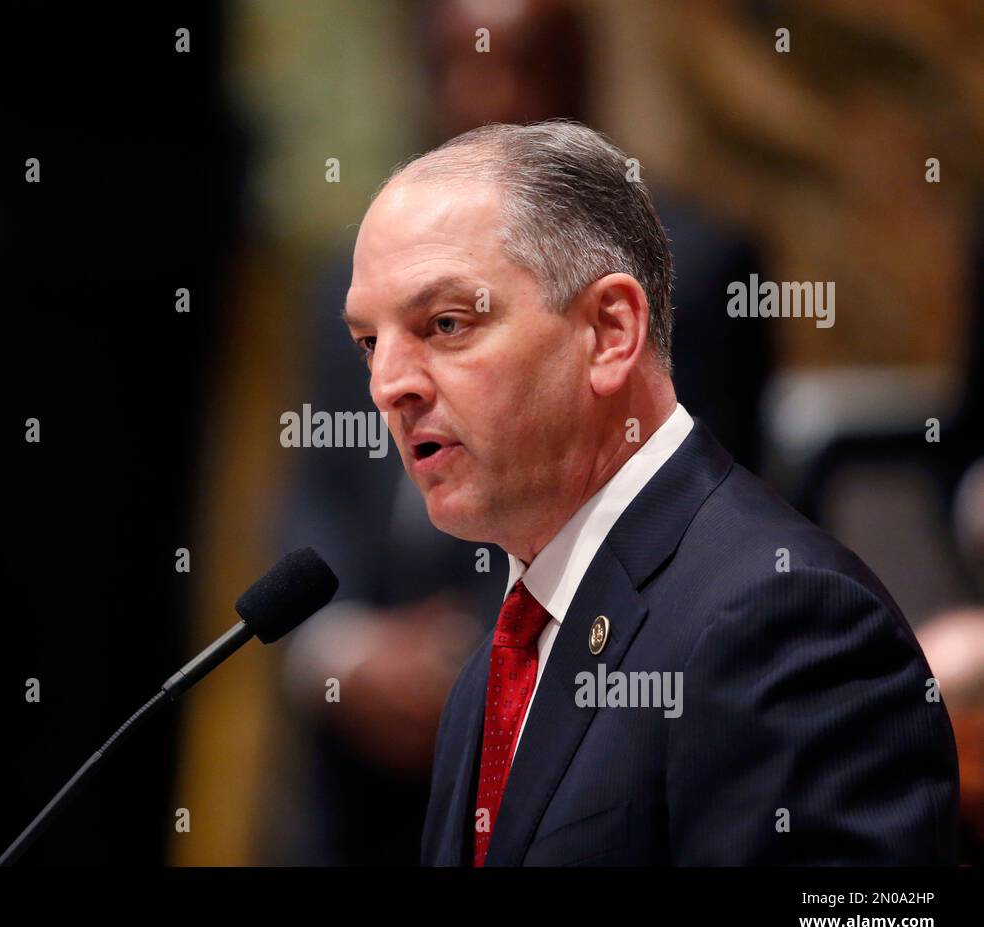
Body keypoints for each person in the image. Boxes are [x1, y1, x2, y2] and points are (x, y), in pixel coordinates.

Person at [342, 119, 960, 865]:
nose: (389, 386)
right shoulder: (495, 663)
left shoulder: (786, 620)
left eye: (444, 324)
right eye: (371, 343)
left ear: (609, 331)